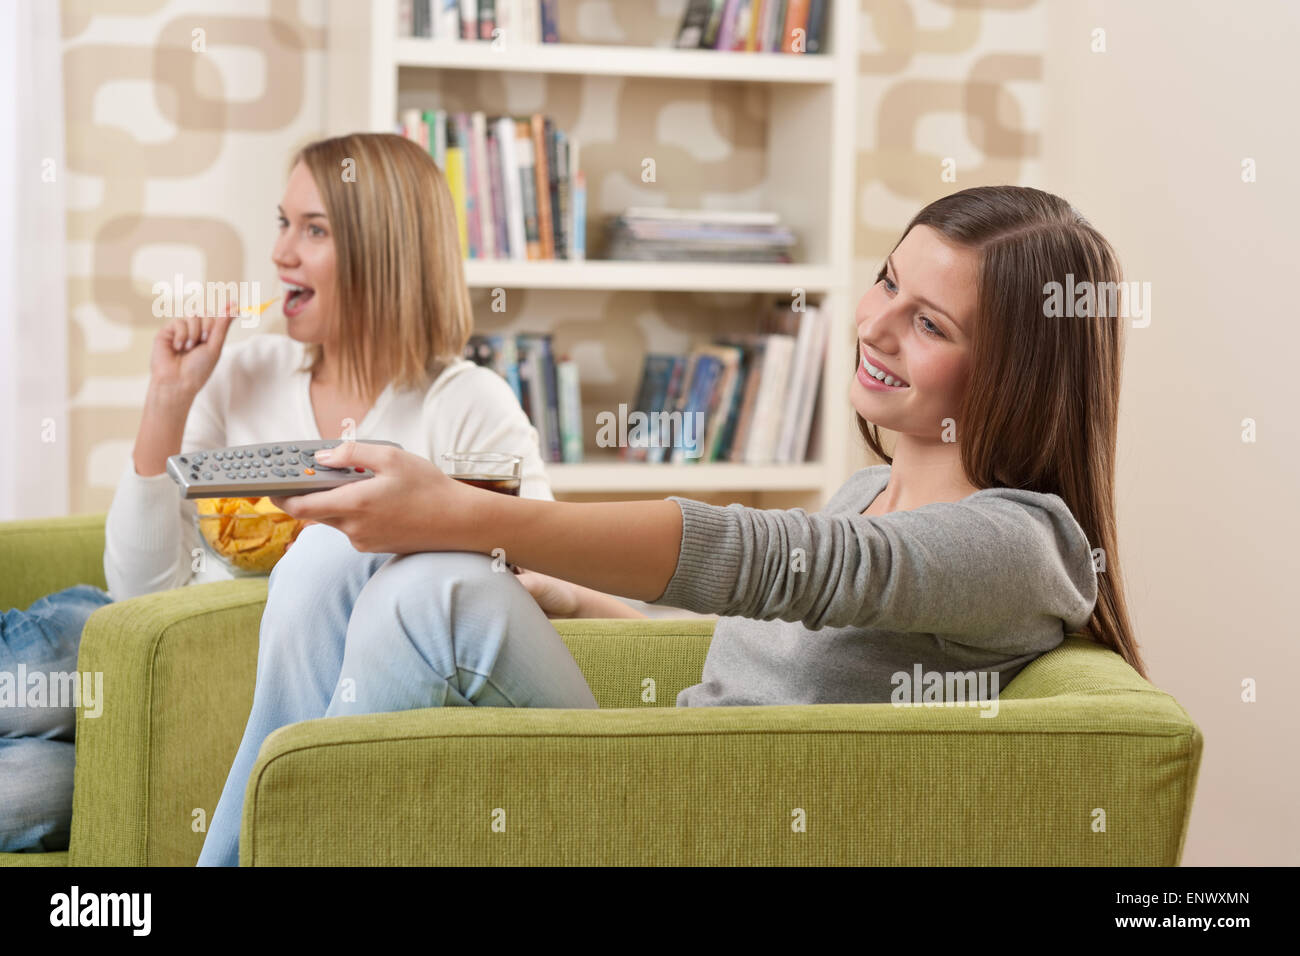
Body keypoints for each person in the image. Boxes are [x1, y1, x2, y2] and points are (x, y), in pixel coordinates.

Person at [195, 184, 1149, 866]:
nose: (875, 325)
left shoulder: (1020, 543)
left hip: (717, 825)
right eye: (886, 282)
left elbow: (779, 564)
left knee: (429, 596)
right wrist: (567, 594)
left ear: (1018, 369)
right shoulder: (869, 492)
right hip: (674, 774)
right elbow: (749, 657)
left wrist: (475, 513)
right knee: (331, 555)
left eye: (931, 323)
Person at [1, 131, 563, 853]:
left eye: (315, 230)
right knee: (34, 674)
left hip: (259, 704)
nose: (280, 254)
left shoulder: (469, 405)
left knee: (25, 792)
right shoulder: (239, 374)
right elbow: (135, 595)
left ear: (384, 254)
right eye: (282, 223)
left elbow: (537, 581)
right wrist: (167, 400)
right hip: (163, 653)